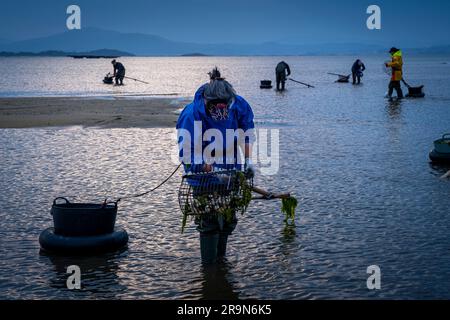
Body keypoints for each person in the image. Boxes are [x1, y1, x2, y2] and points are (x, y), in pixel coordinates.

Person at [176, 68, 255, 264]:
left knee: (228, 220)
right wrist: (205, 167)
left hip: (231, 173)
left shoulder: (237, 104)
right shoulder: (191, 114)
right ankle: (209, 270)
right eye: (216, 107)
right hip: (203, 180)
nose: (221, 111)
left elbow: (246, 130)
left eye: (225, 107)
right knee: (209, 222)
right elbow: (186, 155)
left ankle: (221, 265)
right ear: (206, 101)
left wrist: (248, 161)